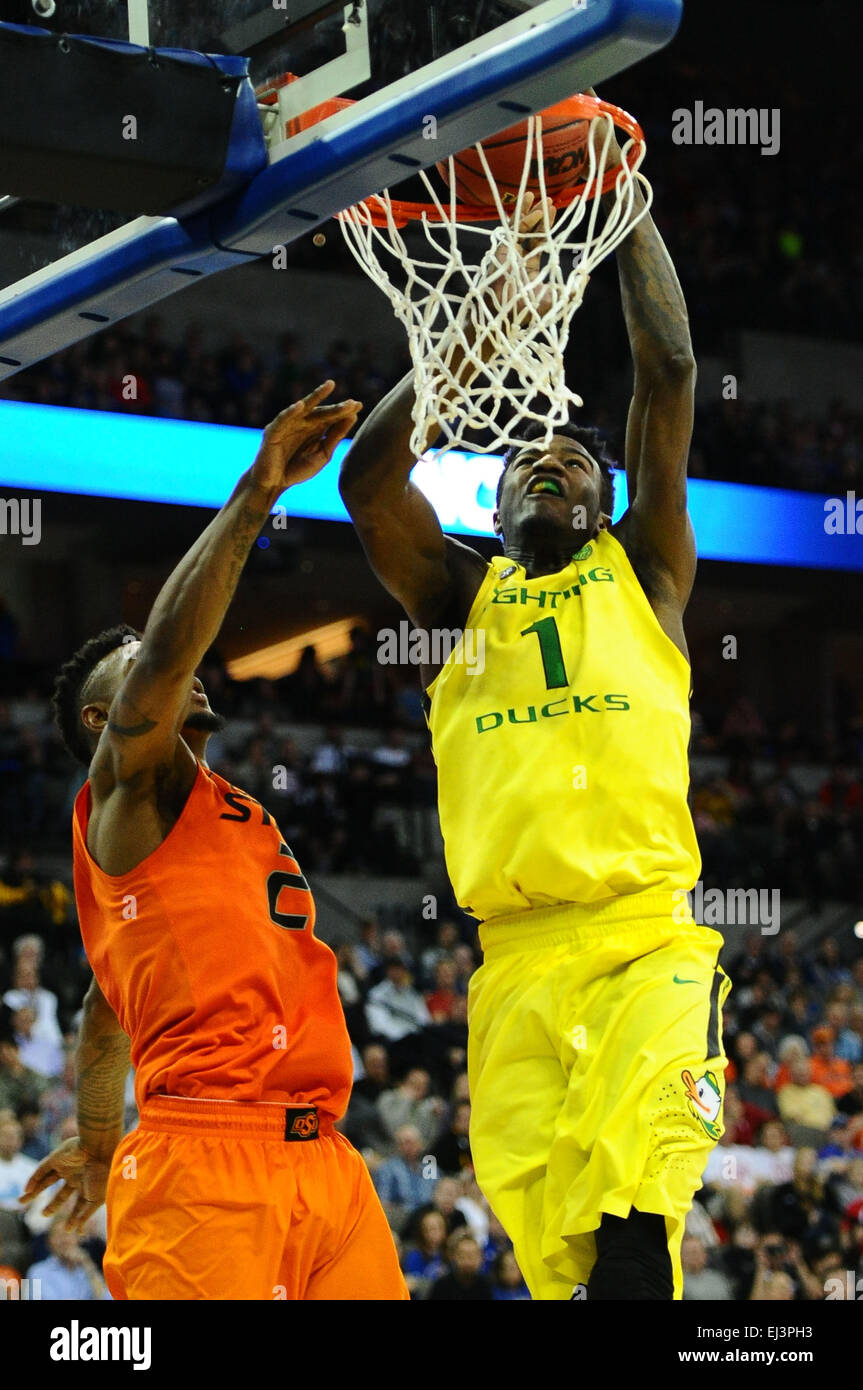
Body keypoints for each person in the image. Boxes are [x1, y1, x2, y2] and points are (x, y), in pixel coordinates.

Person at [339, 96, 730, 1300]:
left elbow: (666, 369)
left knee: (629, 1225)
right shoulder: (461, 600)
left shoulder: (646, 573)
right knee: (555, 1264)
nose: (548, 461)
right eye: (524, 463)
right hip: (509, 961)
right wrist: (448, 352)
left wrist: (619, 201)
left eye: (574, 462)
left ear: (606, 503)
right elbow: (367, 479)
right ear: (494, 508)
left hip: (641, 940)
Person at [19, 383, 407, 1302]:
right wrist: (257, 492)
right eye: (146, 659)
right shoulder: (125, 792)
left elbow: (108, 1002)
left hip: (325, 1164)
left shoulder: (225, 810)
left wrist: (99, 1130)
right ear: (102, 717)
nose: (180, 668)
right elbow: (165, 655)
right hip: (205, 1163)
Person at [27, 1216, 110, 1301]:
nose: (63, 1241)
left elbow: (107, 1298)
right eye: (58, 1235)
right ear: (49, 1242)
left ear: (78, 1238)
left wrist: (87, 1265)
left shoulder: (86, 1270)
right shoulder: (37, 1272)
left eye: (67, 1235)